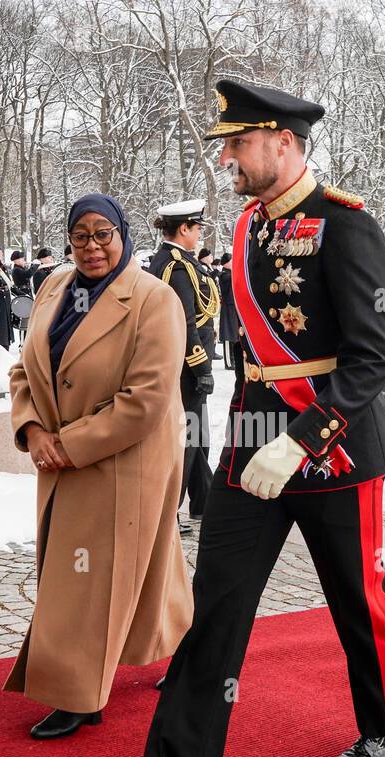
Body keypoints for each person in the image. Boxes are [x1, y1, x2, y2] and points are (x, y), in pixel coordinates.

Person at [97, 80, 385, 757]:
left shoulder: (346, 226)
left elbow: (373, 358)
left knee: (356, 600)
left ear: (285, 143)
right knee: (219, 600)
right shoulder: (247, 229)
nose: (228, 158)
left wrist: (301, 442)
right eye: (228, 145)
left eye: (239, 144)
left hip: (333, 446)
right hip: (250, 440)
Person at [4, 192, 193, 740]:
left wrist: (69, 444)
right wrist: (34, 430)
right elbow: (25, 371)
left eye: (102, 234)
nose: (91, 247)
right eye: (80, 235)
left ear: (122, 234)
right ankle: (185, 641)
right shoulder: (53, 288)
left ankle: (78, 692)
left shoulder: (154, 299)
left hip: (122, 460)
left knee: (86, 576)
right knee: (154, 558)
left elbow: (147, 399)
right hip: (59, 453)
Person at [148, 199, 218, 532]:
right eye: (197, 227)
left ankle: (204, 503)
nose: (200, 233)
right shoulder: (175, 265)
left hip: (190, 366)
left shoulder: (184, 262)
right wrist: (202, 367)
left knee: (198, 436)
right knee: (185, 439)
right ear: (184, 229)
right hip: (186, 366)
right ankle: (168, 512)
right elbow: (185, 322)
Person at [10, 250, 36, 345]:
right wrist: (35, 266)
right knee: (24, 322)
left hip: (26, 295)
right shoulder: (16, 270)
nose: (23, 260)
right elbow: (28, 274)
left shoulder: (21, 268)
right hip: (22, 296)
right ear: (16, 260)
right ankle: (22, 343)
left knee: (28, 321)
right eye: (21, 259)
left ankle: (26, 341)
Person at [216, 252, 237, 369]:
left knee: (233, 334)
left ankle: (233, 360)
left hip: (232, 306)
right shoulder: (225, 274)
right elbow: (230, 279)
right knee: (228, 335)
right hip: (228, 307)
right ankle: (229, 362)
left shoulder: (229, 273)